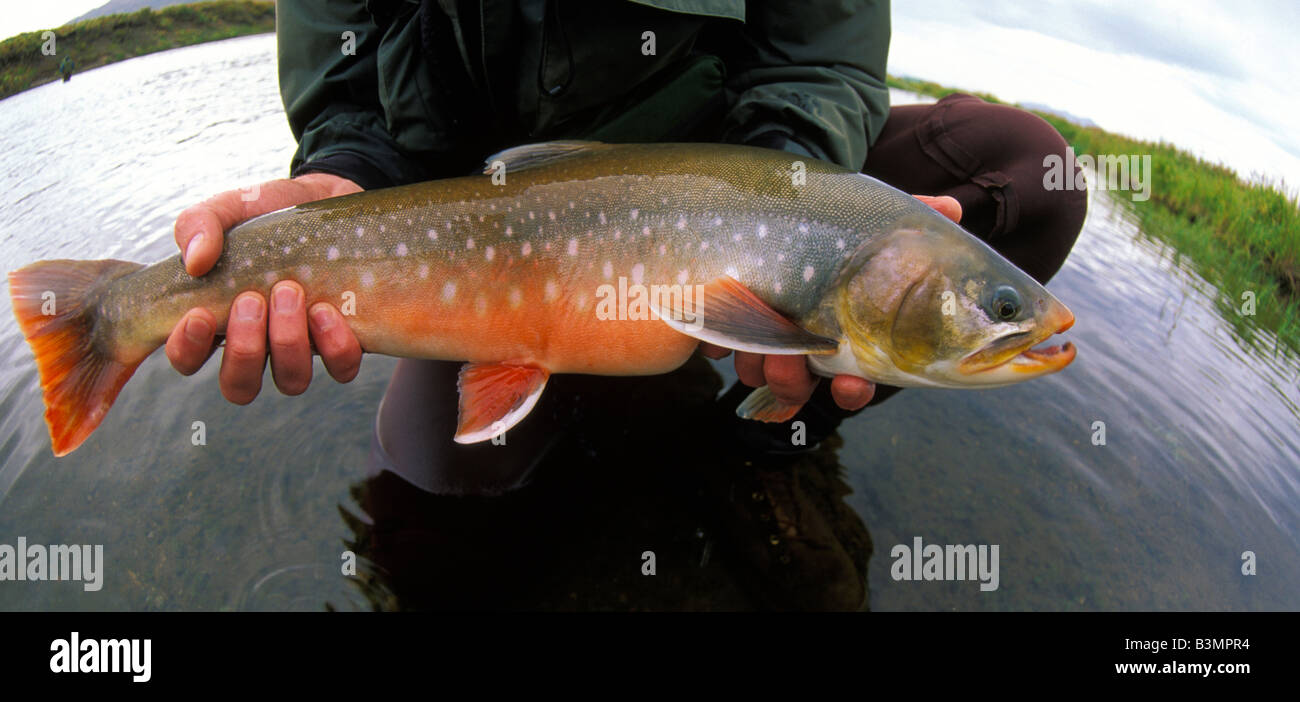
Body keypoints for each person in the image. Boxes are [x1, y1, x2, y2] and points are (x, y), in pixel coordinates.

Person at [164, 1, 1085, 608]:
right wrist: (349, 175)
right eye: (1000, 307)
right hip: (497, 214)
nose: (1022, 323)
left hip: (737, 166)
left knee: (1027, 172)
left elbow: (821, 60)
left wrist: (787, 198)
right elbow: (351, 97)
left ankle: (767, 438)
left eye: (999, 308)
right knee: (434, 505)